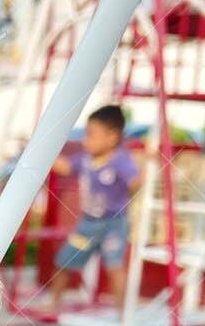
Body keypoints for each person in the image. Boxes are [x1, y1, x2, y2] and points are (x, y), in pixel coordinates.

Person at [48, 104, 141, 310]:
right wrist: (44, 151)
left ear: (111, 137)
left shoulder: (120, 161)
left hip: (114, 225)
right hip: (87, 225)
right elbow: (65, 167)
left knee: (114, 267)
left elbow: (135, 180)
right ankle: (53, 302)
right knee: (64, 261)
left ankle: (122, 311)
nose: (85, 140)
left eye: (90, 135)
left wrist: (144, 173)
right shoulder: (86, 160)